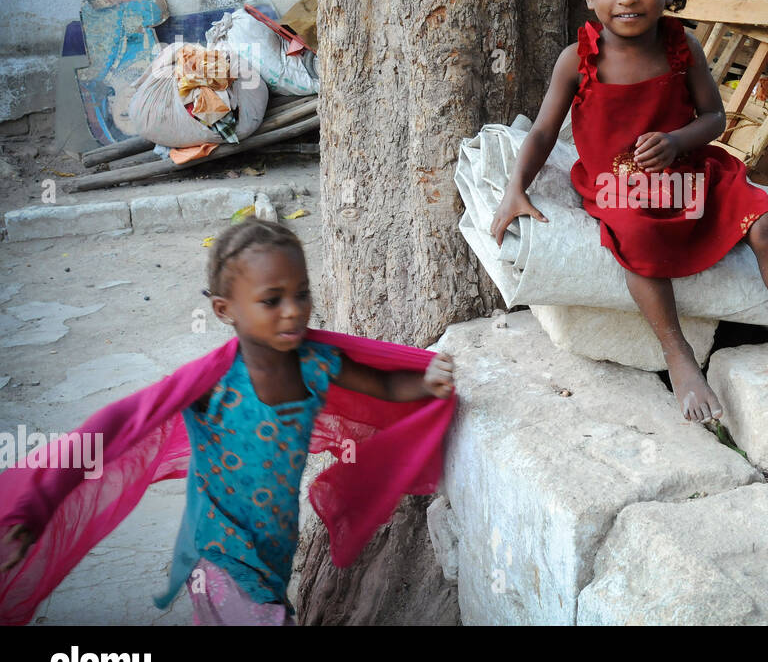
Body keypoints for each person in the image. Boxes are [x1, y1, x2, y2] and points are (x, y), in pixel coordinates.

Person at [0, 220, 456, 626]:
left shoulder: (318, 363)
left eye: (301, 293)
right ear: (224, 310)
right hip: (220, 555)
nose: (293, 310)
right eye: (271, 300)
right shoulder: (212, 383)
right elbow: (114, 424)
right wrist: (38, 505)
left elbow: (384, 386)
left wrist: (426, 381)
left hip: (273, 551)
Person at [490, 0, 768, 423]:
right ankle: (678, 356)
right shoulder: (578, 59)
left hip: (691, 171)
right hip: (621, 183)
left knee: (765, 222)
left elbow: (714, 117)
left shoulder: (683, 47)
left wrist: (678, 141)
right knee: (637, 239)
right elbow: (544, 131)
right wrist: (515, 189)